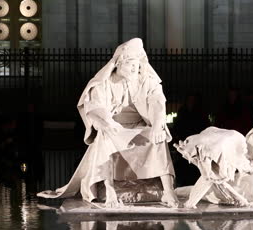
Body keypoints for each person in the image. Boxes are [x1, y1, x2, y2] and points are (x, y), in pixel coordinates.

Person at [37, 38, 178, 207]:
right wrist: (108, 123)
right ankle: (110, 189)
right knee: (106, 136)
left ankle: (168, 191)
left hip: (140, 128)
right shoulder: (103, 83)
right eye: (132, 63)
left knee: (159, 137)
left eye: (138, 64)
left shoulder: (147, 81)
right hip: (114, 128)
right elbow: (95, 107)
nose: (136, 68)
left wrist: (156, 124)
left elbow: (157, 101)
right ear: (119, 63)